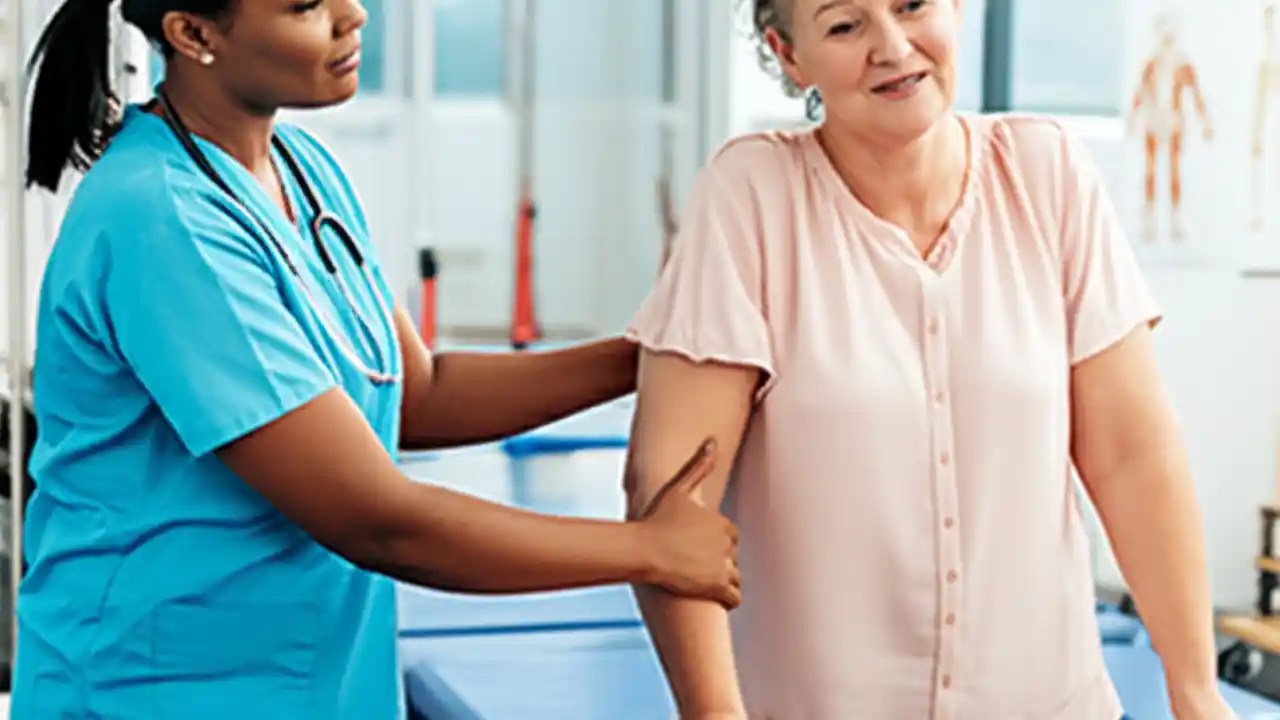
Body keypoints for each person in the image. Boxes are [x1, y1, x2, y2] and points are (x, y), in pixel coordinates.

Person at [12, 1, 742, 718]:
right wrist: (648, 550)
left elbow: (416, 392)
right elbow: (376, 520)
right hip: (162, 687)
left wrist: (652, 355)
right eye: (307, 6)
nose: (353, 15)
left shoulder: (301, 170)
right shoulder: (160, 220)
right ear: (195, 33)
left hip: (313, 681)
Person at [622, 0, 1233, 718]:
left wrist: (1195, 691)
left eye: (912, 6)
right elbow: (669, 501)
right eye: (845, 25)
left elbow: (1132, 454)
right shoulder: (752, 198)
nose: (892, 46)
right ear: (790, 56)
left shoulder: (1047, 173)